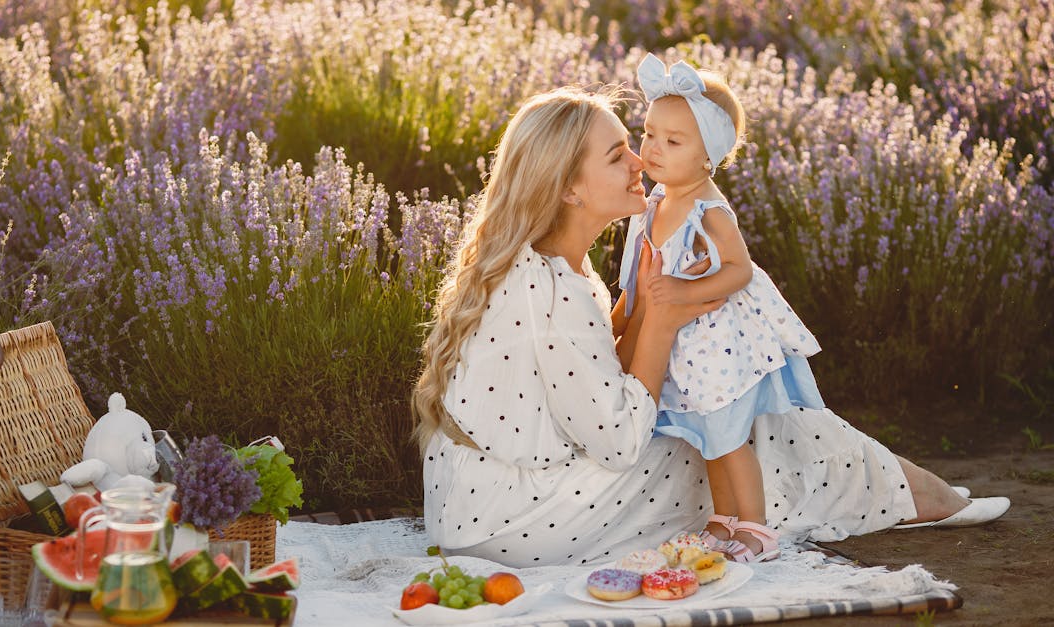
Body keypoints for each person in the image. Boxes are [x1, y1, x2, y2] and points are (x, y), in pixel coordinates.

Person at [412, 84, 1009, 569]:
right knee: (740, 422)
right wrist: (664, 322)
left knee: (724, 414)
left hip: (472, 505)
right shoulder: (551, 290)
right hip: (514, 522)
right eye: (618, 154)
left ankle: (903, 496)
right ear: (568, 187)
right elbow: (619, 439)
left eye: (635, 143)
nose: (641, 160)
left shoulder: (551, 267)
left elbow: (597, 383)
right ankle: (913, 499)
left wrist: (646, 309)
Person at [611, 54, 818, 563]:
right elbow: (641, 272)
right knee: (708, 441)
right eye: (649, 134)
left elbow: (739, 271)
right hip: (685, 352)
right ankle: (723, 523)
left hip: (719, 349)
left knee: (729, 441)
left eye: (673, 141)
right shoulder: (657, 203)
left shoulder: (710, 210)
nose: (653, 149)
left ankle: (756, 529)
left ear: (709, 157)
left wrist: (681, 293)